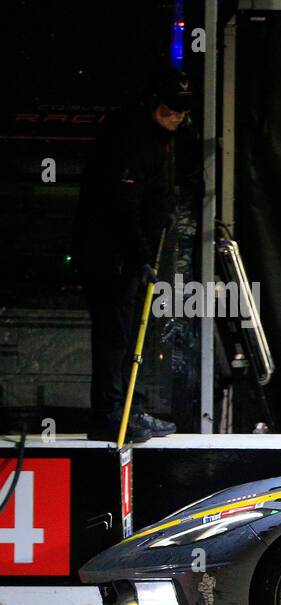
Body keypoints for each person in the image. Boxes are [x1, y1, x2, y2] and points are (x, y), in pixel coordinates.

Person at [73, 69, 192, 442]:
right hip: (111, 255)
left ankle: (132, 408)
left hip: (132, 254)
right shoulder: (131, 137)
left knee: (130, 333)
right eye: (169, 109)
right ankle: (110, 415)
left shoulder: (161, 137)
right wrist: (140, 254)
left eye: (182, 110)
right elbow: (121, 206)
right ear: (152, 104)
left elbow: (153, 193)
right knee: (115, 334)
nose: (177, 116)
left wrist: (167, 207)